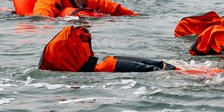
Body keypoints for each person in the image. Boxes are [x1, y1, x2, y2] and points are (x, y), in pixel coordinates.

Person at [39, 26, 176, 73]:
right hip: (111, 63)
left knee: (162, 69)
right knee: (163, 68)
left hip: (112, 66)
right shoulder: (100, 65)